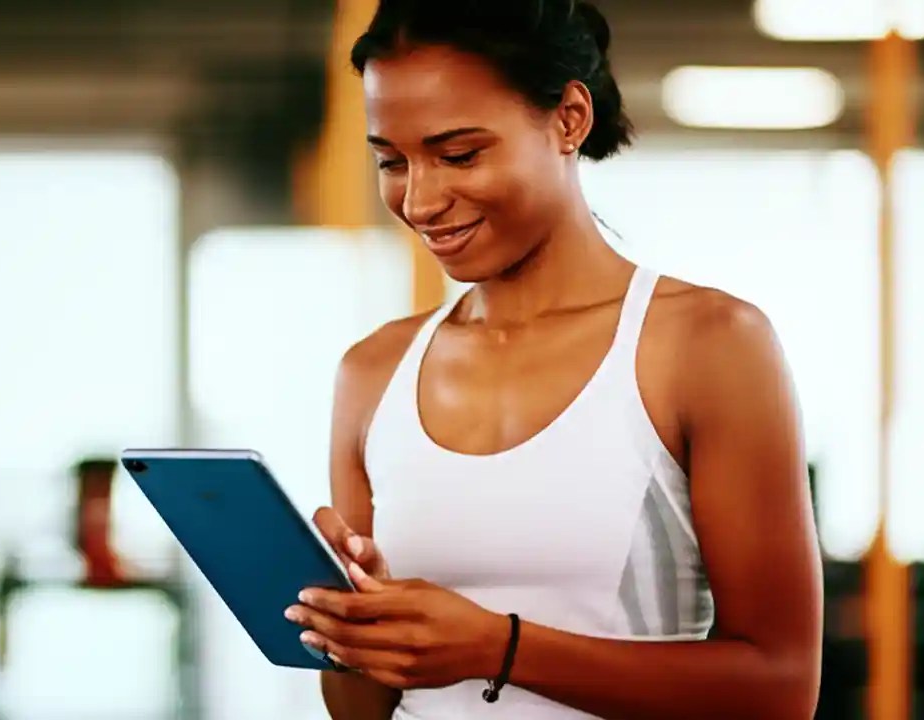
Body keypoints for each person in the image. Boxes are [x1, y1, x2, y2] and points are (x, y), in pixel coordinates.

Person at [284, 1, 824, 718]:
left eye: (459, 154)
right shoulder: (372, 372)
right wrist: (354, 632)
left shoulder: (709, 345)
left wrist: (497, 648)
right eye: (391, 161)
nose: (420, 199)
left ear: (569, 118)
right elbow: (361, 713)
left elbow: (781, 690)